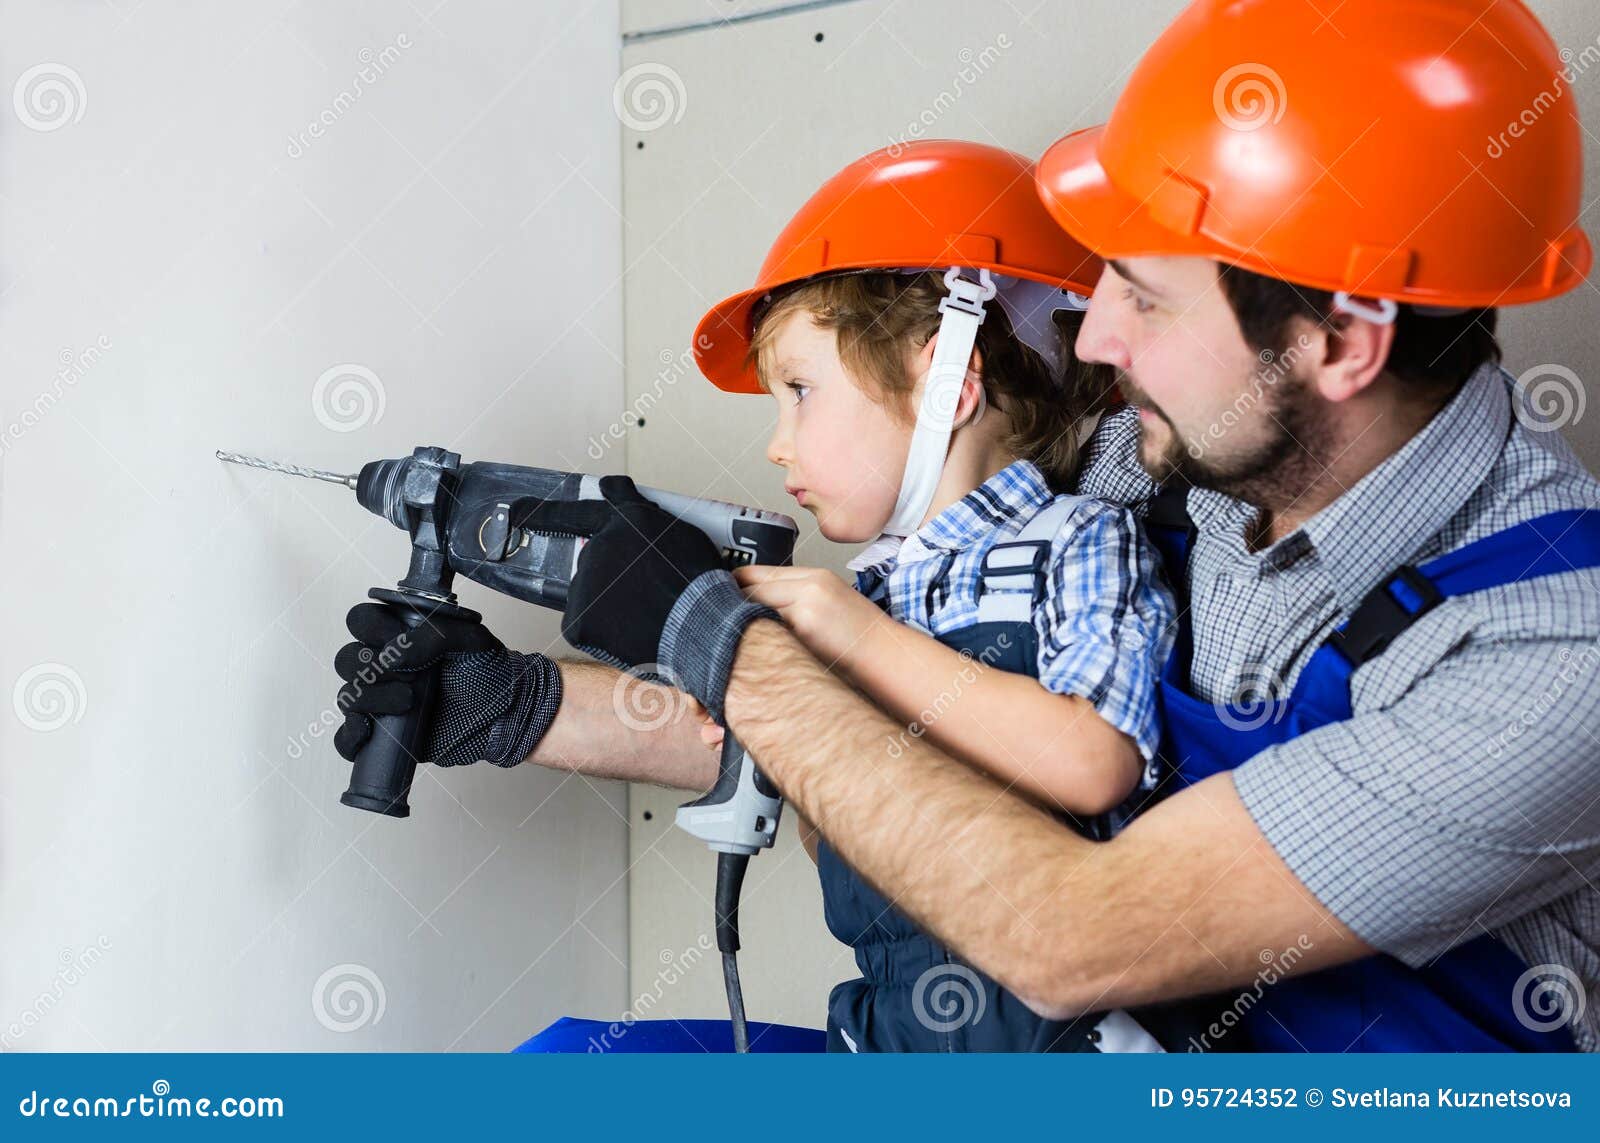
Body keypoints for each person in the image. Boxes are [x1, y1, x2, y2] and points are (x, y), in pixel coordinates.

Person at [333, 0, 1600, 1051]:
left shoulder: (1553, 649)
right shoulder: (1142, 462)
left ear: (1336, 344)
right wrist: (532, 709)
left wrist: (736, 636)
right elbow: (905, 738)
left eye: (1147, 303)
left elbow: (1075, 932)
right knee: (572, 1086)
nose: (1092, 340)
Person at [692, 140, 1175, 1051]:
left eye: (800, 391)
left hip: (1046, 1043)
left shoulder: (1075, 542)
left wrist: (859, 643)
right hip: (884, 1028)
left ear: (948, 382)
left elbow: (1097, 758)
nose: (777, 443)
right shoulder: (868, 589)